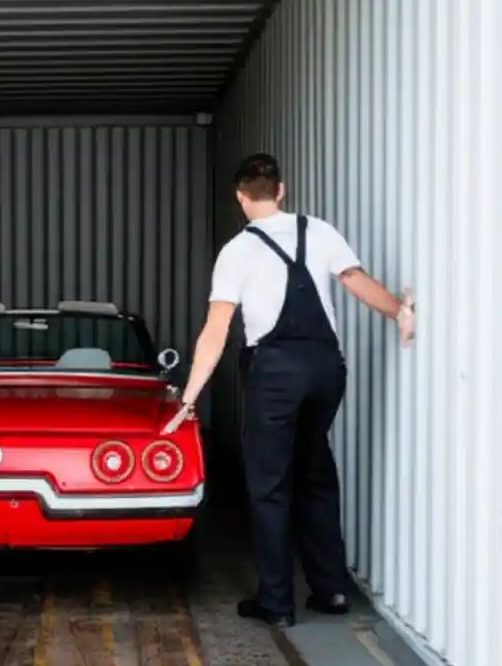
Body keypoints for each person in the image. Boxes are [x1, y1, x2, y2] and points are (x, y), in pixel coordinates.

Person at [162, 152, 416, 627]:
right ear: (280, 190)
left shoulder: (237, 251)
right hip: (325, 370)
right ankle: (331, 590)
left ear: (241, 199)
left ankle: (276, 603)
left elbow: (216, 330)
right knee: (316, 470)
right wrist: (399, 311)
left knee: (270, 486)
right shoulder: (318, 231)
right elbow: (356, 281)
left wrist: (190, 394)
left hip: (275, 374)